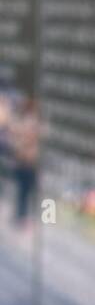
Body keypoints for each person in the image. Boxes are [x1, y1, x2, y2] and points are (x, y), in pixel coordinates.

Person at [9, 96, 38, 229]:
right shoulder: (27, 121)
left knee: (25, 192)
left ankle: (23, 217)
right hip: (25, 162)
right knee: (23, 192)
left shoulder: (31, 121)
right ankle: (21, 217)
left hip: (29, 162)